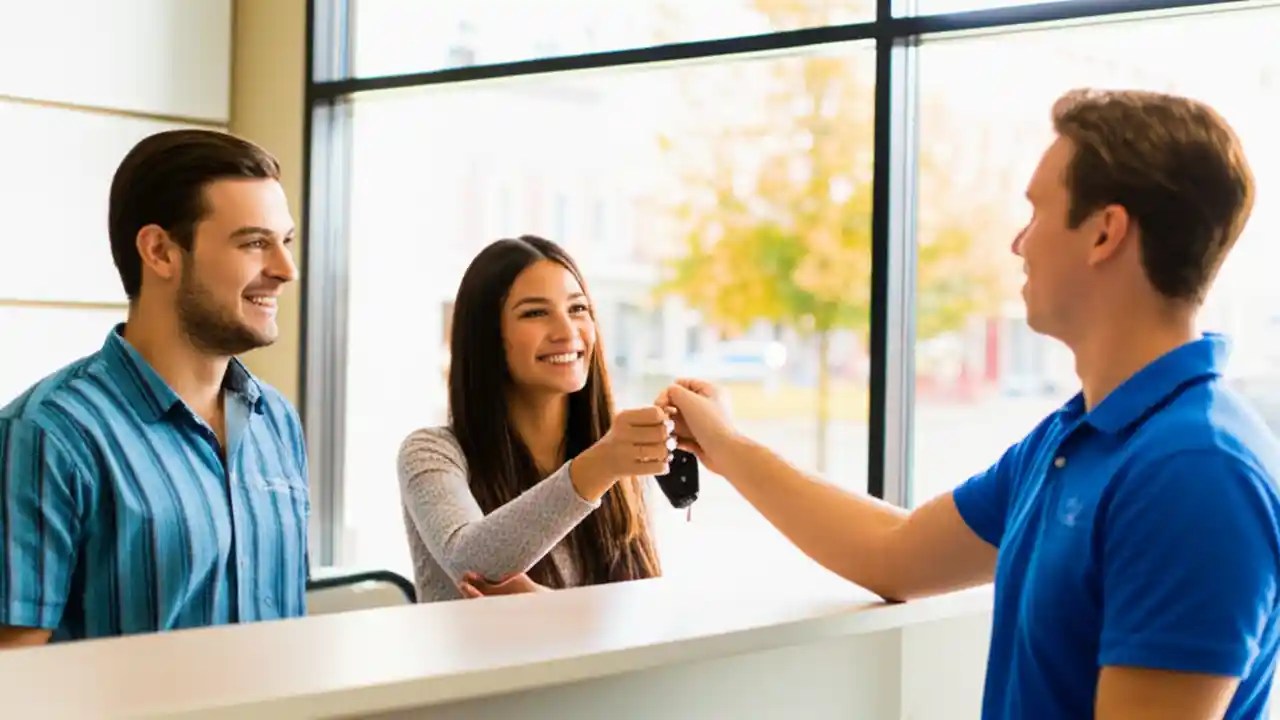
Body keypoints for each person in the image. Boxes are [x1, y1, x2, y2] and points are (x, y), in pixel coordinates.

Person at [658, 88, 1280, 719]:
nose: (1020, 241)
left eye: (1037, 211)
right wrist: (728, 448)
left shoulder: (1196, 471)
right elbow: (894, 552)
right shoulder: (1073, 437)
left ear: (1104, 233)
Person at [0, 130, 309, 647]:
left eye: (286, 241)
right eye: (255, 242)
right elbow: (12, 678)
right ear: (160, 251)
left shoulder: (276, 422)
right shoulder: (45, 435)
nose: (285, 270)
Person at [397, 235, 669, 602]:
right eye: (535, 313)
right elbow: (471, 563)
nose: (567, 332)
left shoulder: (613, 458)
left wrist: (544, 606)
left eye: (578, 309)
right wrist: (601, 463)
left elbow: (645, 615)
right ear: (488, 337)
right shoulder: (431, 453)